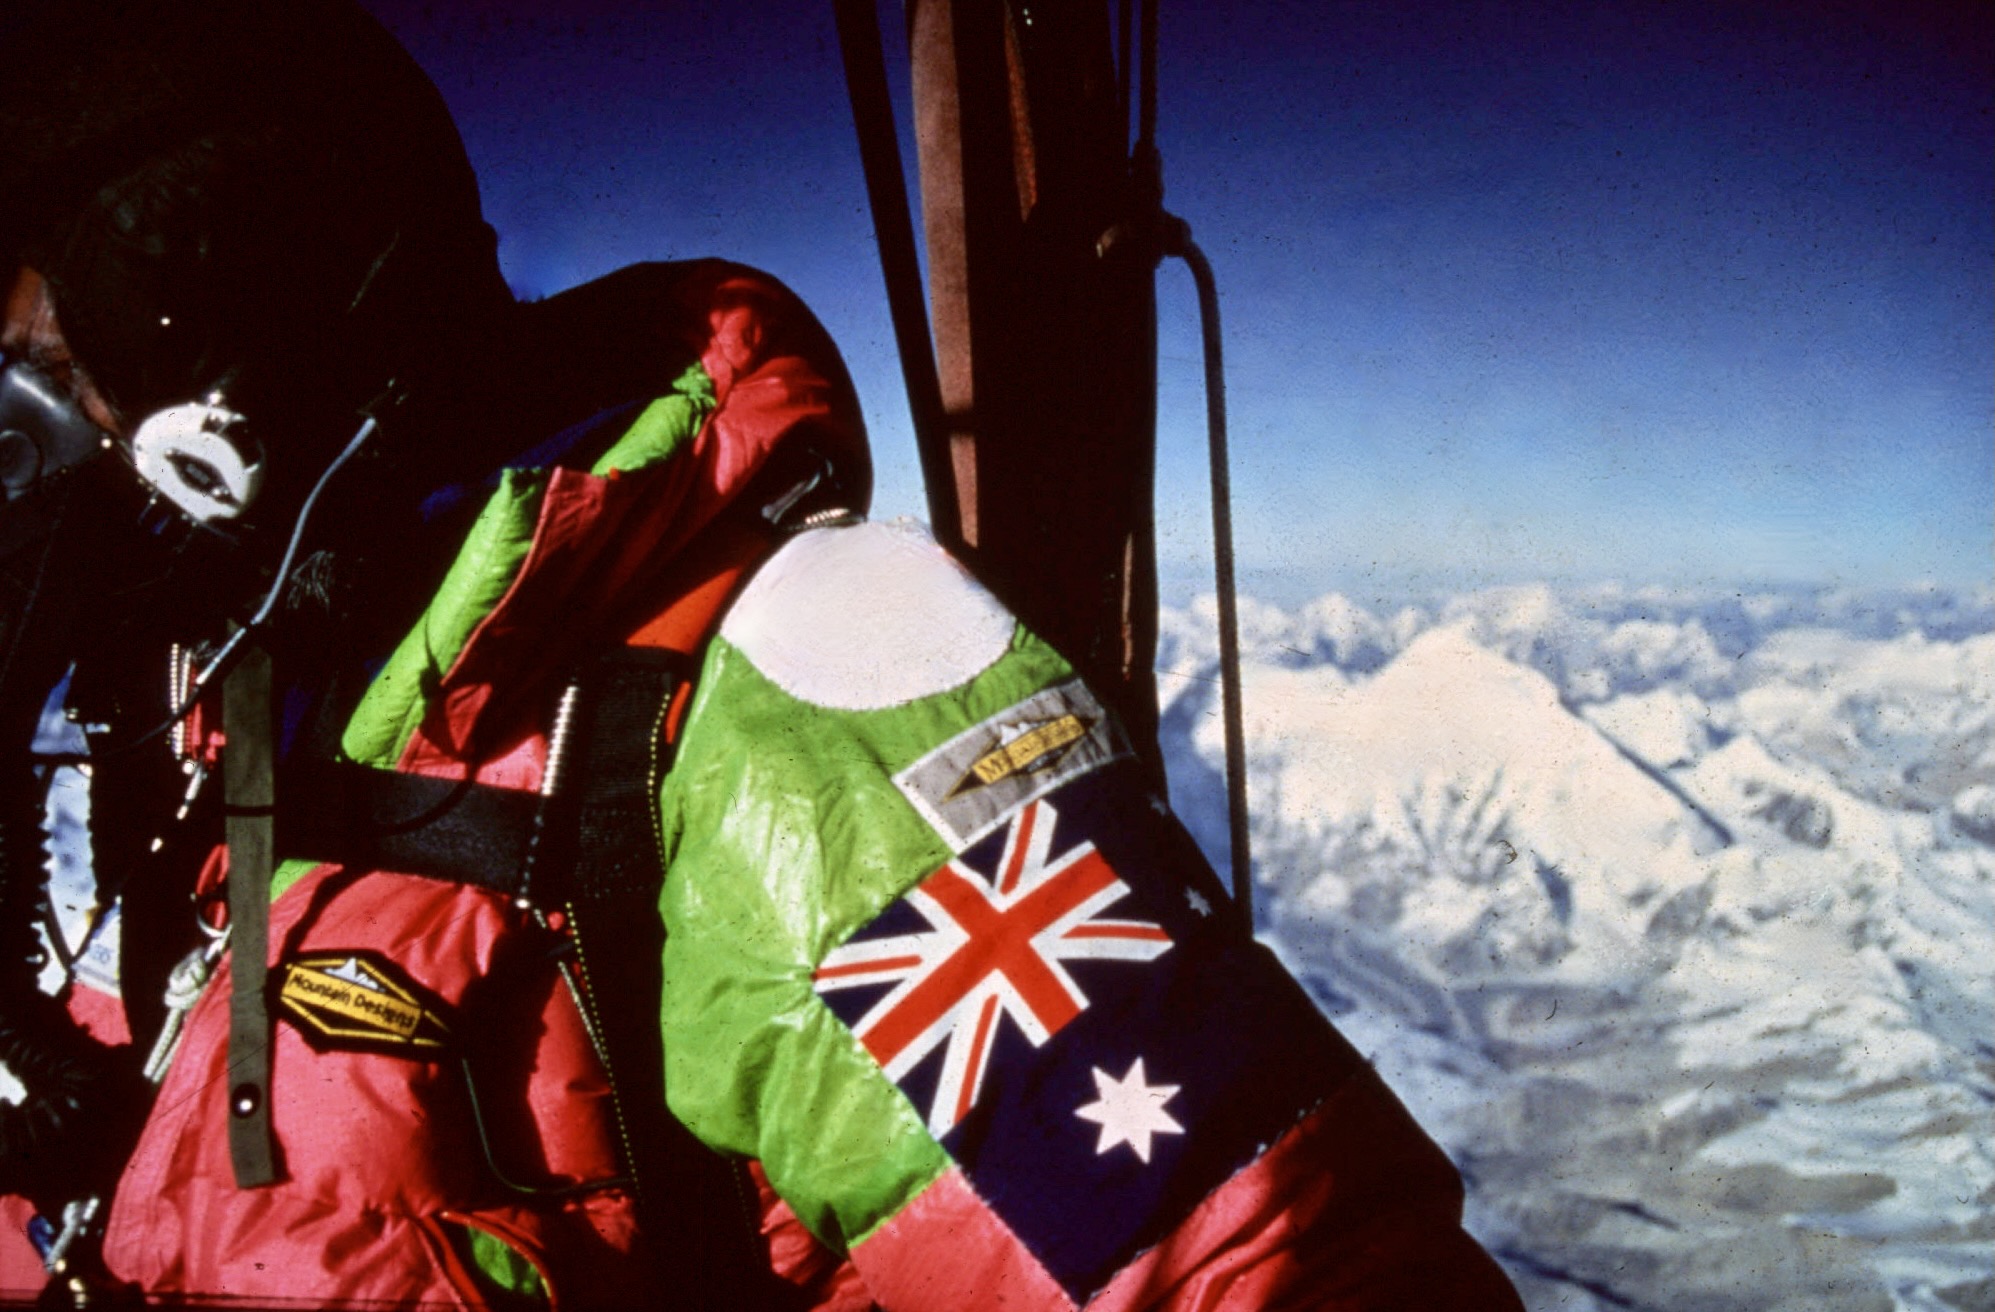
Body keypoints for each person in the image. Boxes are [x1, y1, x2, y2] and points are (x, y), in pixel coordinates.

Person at [0, 2, 1524, 1308]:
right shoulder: (290, 686)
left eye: (67, 375)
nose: (60, 454)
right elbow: (279, 1117)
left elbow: (1261, 1267)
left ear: (223, 322)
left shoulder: (796, 698)